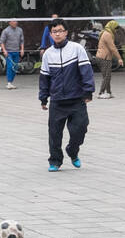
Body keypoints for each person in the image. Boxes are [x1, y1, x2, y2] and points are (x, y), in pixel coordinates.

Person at [38, 18, 95, 171]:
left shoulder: (76, 49)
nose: (57, 34)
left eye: (60, 31)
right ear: (50, 34)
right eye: (54, 31)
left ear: (66, 32)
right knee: (54, 134)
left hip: (77, 99)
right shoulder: (48, 54)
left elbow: (86, 72)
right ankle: (55, 161)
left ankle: (73, 150)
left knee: (81, 128)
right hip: (57, 101)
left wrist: (88, 91)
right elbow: (44, 78)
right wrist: (43, 97)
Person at [94, 19, 125, 98]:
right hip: (104, 58)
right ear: (111, 27)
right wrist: (119, 58)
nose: (116, 30)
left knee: (107, 76)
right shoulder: (107, 34)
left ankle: (108, 92)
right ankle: (101, 93)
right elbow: (112, 48)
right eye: (115, 28)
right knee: (107, 76)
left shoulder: (105, 32)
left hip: (102, 57)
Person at [0, 19, 24, 90]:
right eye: (13, 21)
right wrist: (4, 50)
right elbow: (2, 42)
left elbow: (22, 41)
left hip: (16, 51)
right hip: (8, 52)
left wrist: (22, 49)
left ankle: (11, 82)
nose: (15, 22)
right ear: (9, 22)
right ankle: (9, 82)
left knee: (15, 67)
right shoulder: (6, 31)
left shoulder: (20, 30)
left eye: (16, 21)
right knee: (10, 66)